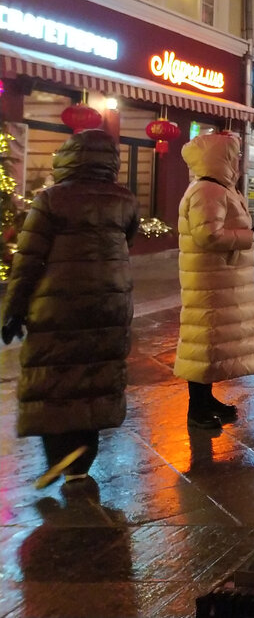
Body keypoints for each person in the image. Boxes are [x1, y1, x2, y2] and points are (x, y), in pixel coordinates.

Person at [0, 130, 139, 488]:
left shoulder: (51, 199)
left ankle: (58, 455)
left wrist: (13, 310)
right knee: (95, 376)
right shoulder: (124, 199)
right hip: (111, 302)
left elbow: (28, 260)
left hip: (57, 304)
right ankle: (81, 462)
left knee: (53, 378)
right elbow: (126, 241)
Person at [174, 132, 254, 431]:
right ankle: (196, 409)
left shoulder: (218, 188)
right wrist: (252, 236)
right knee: (204, 342)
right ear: (220, 158)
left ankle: (206, 400)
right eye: (232, 156)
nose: (237, 161)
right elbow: (209, 235)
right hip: (209, 280)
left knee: (212, 344)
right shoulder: (207, 190)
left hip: (218, 277)